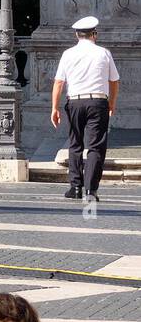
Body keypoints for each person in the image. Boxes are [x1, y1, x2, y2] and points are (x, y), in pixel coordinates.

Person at [51, 15, 120, 202]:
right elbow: (114, 81)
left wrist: (54, 108)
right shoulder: (104, 53)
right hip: (98, 102)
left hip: (74, 101)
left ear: (77, 35)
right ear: (94, 34)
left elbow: (59, 82)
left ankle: (75, 187)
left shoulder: (68, 54)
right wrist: (112, 102)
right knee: (95, 146)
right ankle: (91, 190)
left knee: (75, 144)